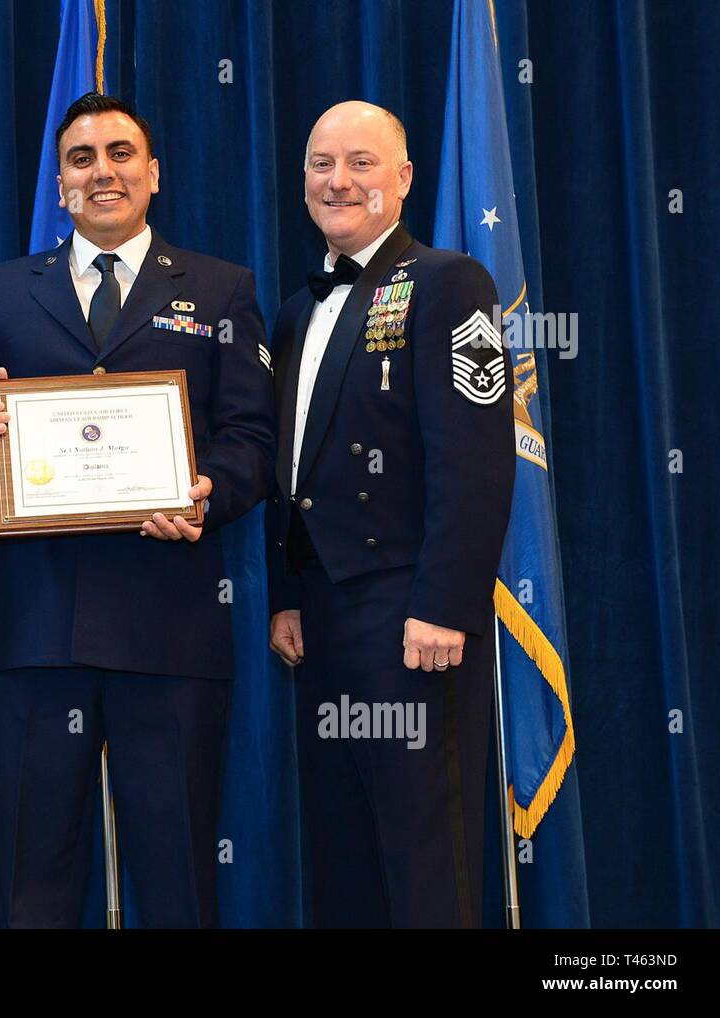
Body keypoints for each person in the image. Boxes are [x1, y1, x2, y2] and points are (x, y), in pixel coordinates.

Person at [0, 92, 274, 928]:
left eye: (121, 154)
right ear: (60, 185)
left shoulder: (222, 289)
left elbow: (253, 437)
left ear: (153, 176)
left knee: (179, 883)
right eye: (82, 158)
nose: (102, 171)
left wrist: (207, 494)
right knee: (35, 885)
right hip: (36, 635)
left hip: (170, 629)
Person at [266, 100, 514, 927]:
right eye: (321, 163)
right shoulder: (297, 311)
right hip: (325, 618)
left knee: (422, 852)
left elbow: (474, 462)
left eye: (361, 162)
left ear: (403, 179)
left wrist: (442, 604)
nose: (338, 180)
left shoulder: (451, 283)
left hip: (412, 618)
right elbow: (293, 466)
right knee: (344, 849)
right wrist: (287, 591)